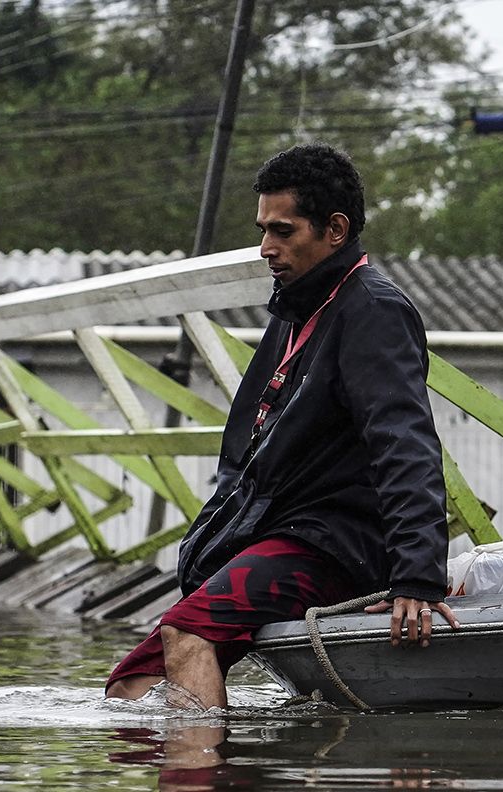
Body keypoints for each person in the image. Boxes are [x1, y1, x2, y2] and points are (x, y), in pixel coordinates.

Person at [104, 144, 455, 708]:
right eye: (263, 230)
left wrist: (416, 578)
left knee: (188, 634)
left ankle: (206, 767)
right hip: (286, 536)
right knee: (129, 685)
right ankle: (198, 760)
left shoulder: (373, 310)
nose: (266, 247)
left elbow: (405, 445)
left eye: (283, 231)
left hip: (334, 546)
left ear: (335, 229)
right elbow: (246, 451)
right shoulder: (295, 310)